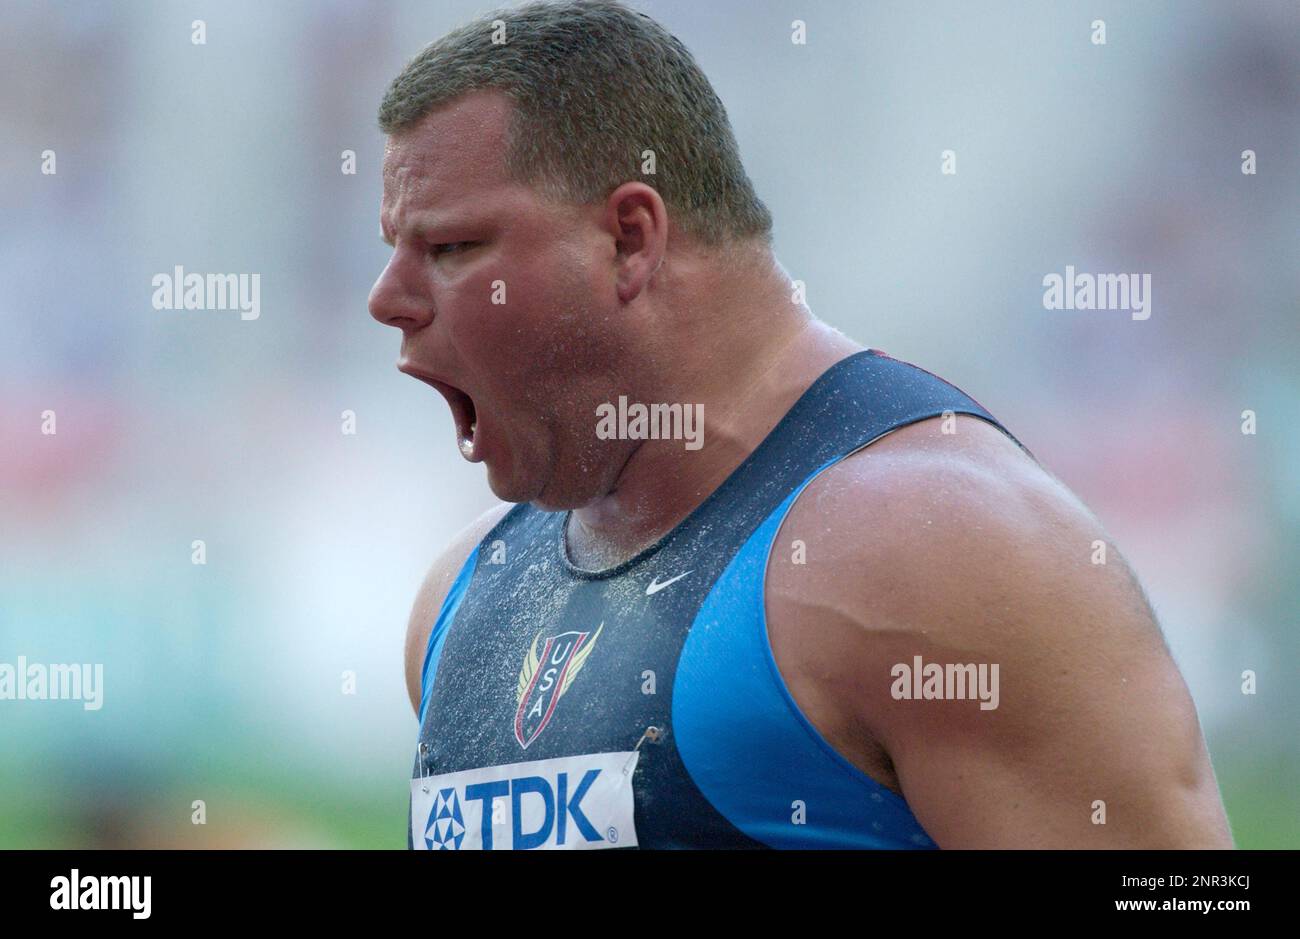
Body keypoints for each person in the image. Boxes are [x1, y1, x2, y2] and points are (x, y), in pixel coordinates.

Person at [367, 0, 1234, 849]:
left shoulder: (942, 548)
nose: (386, 300)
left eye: (450, 251)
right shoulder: (460, 600)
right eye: (394, 250)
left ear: (631, 240)